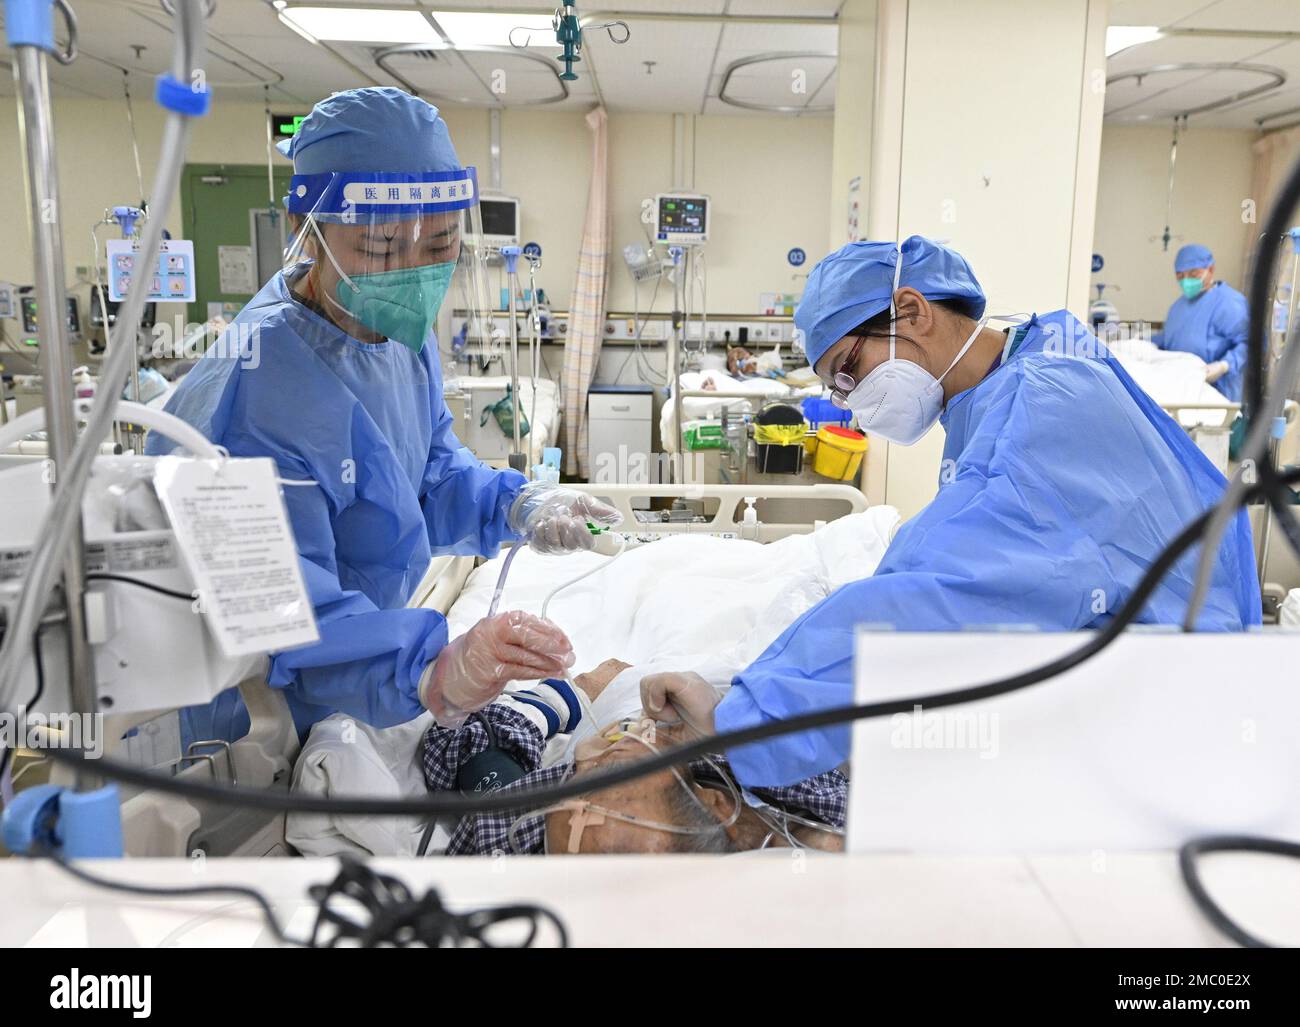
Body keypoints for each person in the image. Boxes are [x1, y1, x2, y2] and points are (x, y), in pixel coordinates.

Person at [643, 236, 1261, 789]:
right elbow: (953, 548)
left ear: (911, 311)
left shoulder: (1045, 404)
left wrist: (747, 715)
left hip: (1163, 715)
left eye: (850, 370)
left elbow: (948, 590)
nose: (851, 401)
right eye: (836, 388)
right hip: (1144, 681)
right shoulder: (1002, 387)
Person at [146, 88, 618, 751]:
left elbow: (424, 472)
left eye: (441, 241)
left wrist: (521, 506)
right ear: (305, 230)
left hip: (359, 692)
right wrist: (428, 669)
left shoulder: (397, 333)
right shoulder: (254, 390)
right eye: (382, 243)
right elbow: (280, 598)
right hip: (254, 726)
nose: (414, 269)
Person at [422, 660, 845, 854]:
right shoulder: (811, 792)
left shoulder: (511, 836)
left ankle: (567, 695)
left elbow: (458, 753)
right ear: (716, 800)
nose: (589, 764)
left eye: (585, 775)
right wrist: (723, 729)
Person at [1152, 243, 1249, 401]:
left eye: (1193, 274)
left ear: (1210, 270)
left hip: (1220, 391)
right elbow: (1170, 339)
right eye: (1180, 276)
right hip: (1181, 388)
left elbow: (1251, 343)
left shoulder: (1229, 303)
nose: (1186, 280)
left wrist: (1224, 365)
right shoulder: (1178, 307)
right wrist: (1138, 342)